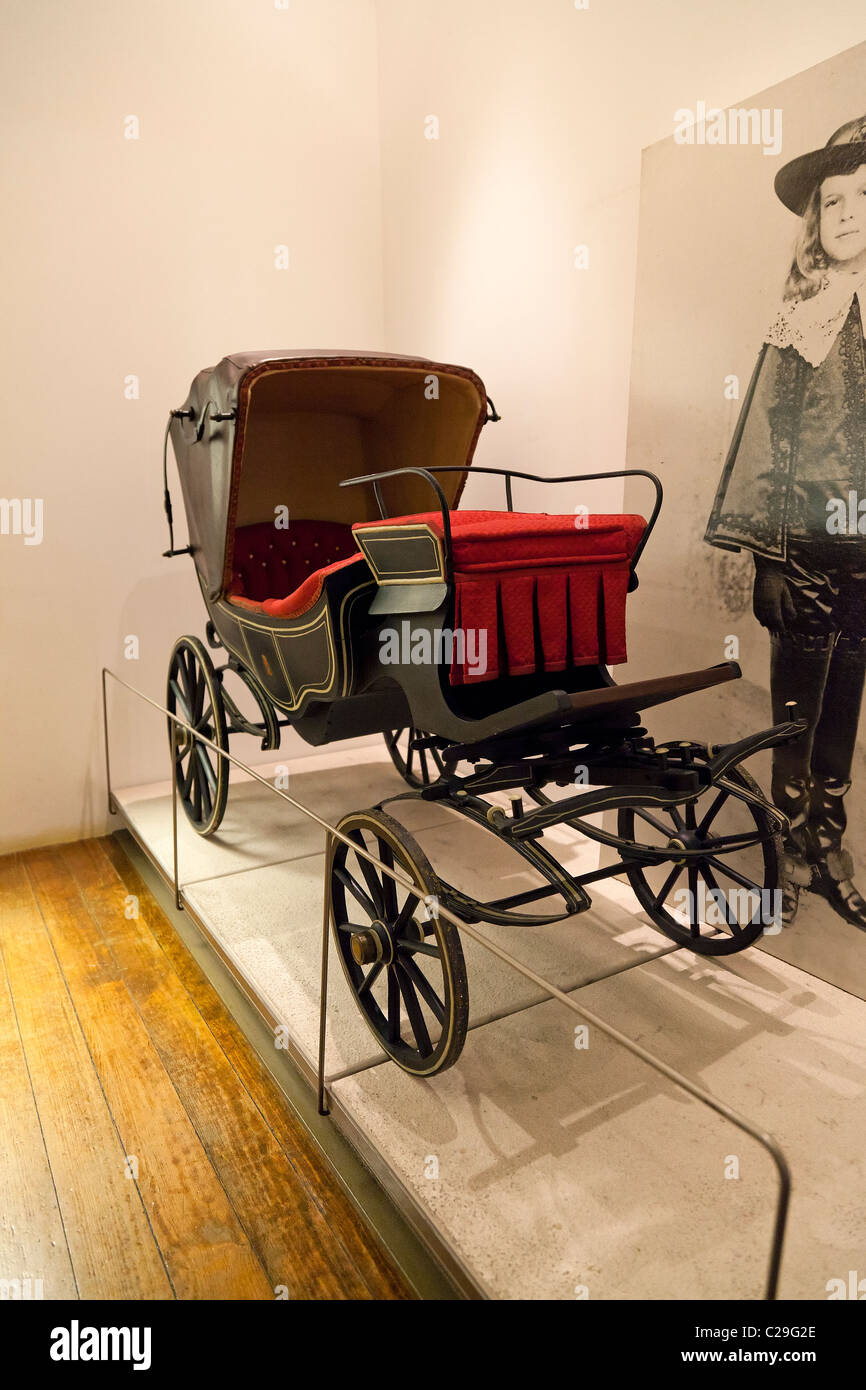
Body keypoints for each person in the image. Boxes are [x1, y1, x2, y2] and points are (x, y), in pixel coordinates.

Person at [705, 114, 866, 929]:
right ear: (814, 222)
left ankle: (827, 845)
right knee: (798, 709)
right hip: (804, 545)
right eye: (830, 201)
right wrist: (767, 556)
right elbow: (767, 439)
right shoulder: (802, 320)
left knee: (844, 707)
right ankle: (788, 851)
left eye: (862, 197)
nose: (845, 212)